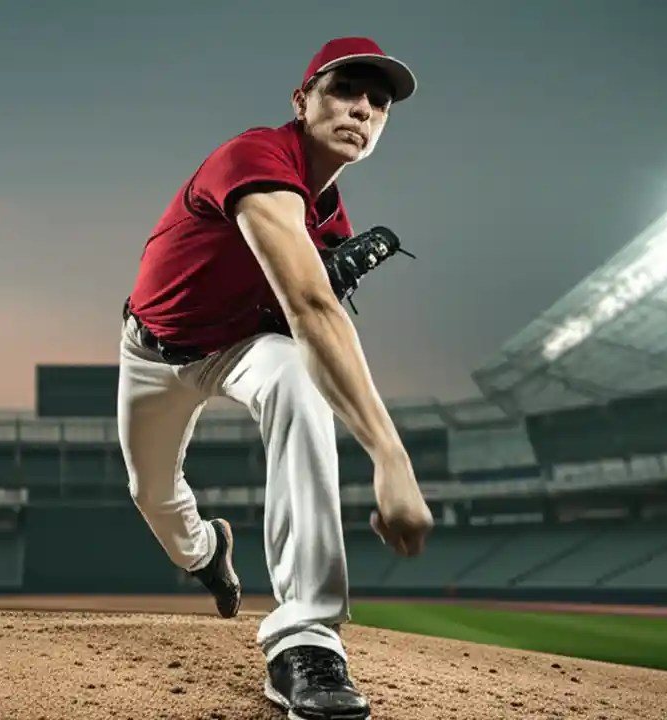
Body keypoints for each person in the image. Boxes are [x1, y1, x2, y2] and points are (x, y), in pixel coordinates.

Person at [116, 36, 435, 719]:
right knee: (152, 496)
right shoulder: (255, 155)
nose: (364, 108)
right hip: (153, 354)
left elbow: (312, 332)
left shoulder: (330, 219)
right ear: (302, 100)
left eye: (379, 102)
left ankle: (308, 642)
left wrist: (313, 295)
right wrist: (391, 457)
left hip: (238, 351)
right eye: (345, 89)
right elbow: (312, 304)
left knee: (298, 376)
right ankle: (207, 553)